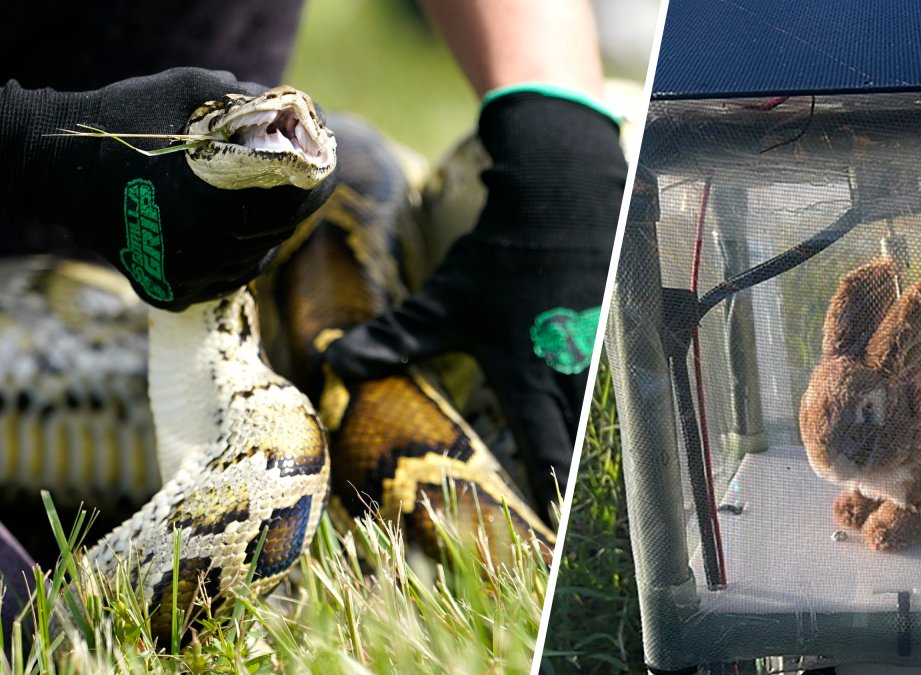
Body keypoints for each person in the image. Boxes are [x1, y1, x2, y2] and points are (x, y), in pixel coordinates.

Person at [0, 0, 624, 644]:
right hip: (38, 261)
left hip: (196, 252)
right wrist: (27, 143)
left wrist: (560, 152)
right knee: (26, 626)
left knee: (613, 135)